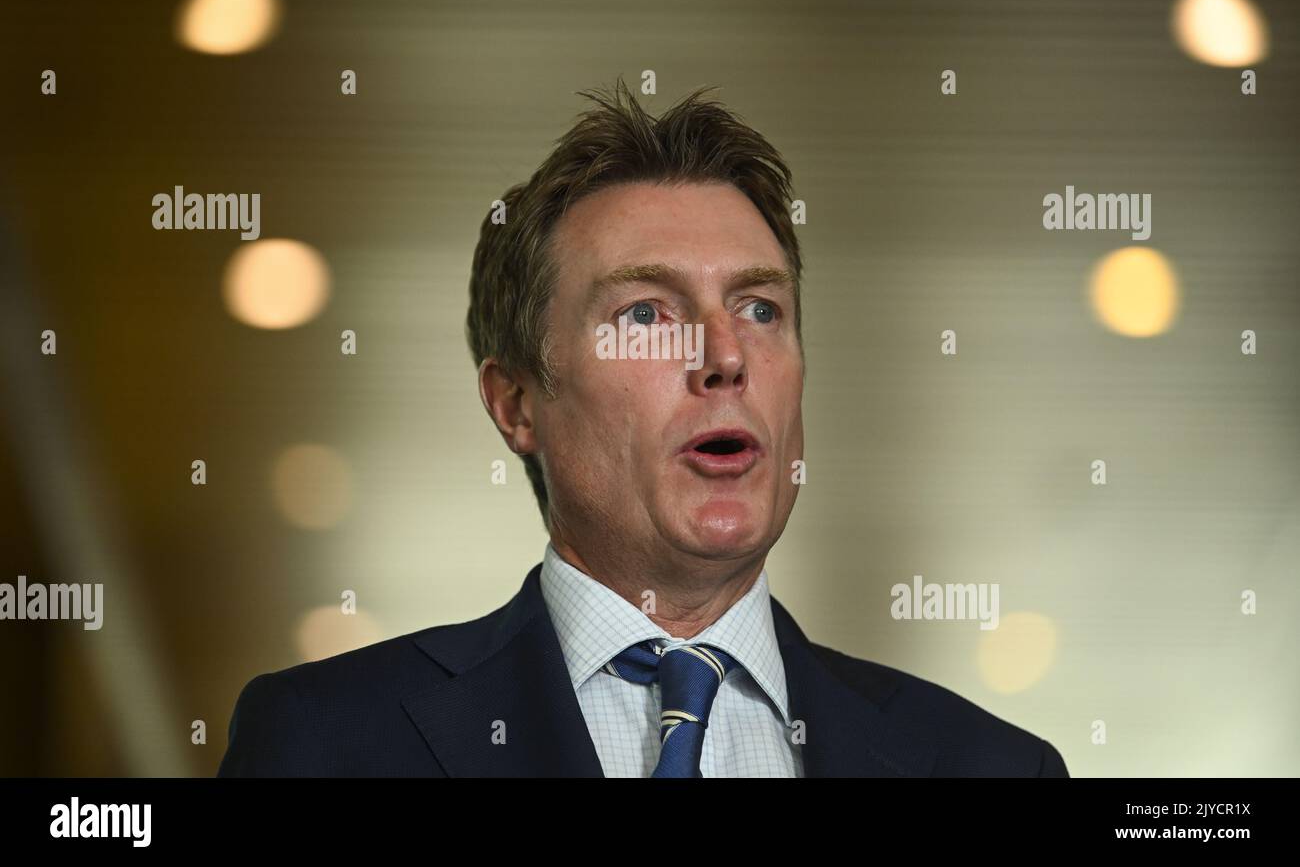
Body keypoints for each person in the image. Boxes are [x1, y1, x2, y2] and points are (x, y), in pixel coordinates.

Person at [218, 78, 1068, 777]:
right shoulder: (325, 742)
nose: (725, 355)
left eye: (760, 306)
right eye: (648, 312)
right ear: (516, 403)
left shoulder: (988, 766)